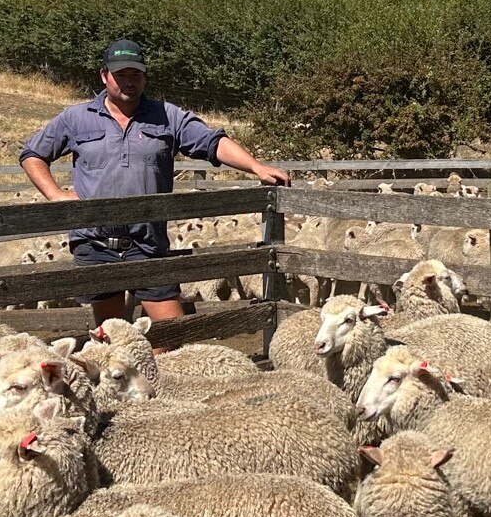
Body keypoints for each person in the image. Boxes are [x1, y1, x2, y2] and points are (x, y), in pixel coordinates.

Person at [19, 38, 289, 328]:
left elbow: (212, 142)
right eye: (121, 75)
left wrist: (255, 166)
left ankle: (158, 373)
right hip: (96, 242)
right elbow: (32, 154)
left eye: (136, 75)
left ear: (145, 77)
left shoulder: (167, 116)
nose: (129, 82)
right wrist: (56, 195)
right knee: (112, 333)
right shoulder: (76, 118)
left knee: (171, 331)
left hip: (147, 242)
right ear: (104, 75)